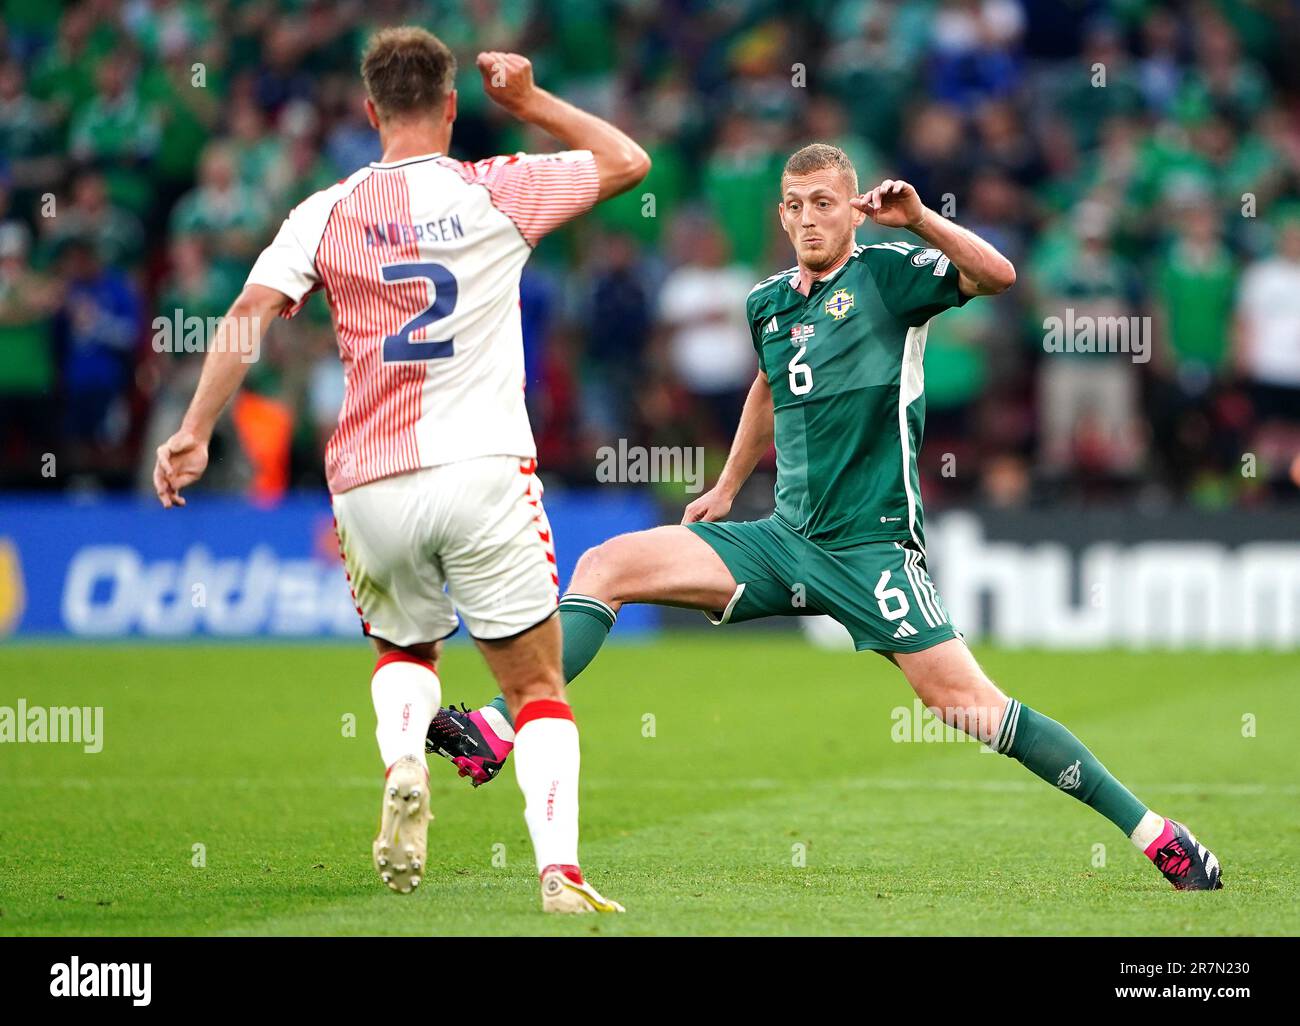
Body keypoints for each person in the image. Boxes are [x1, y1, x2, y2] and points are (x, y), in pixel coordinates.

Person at [427, 143, 1223, 892]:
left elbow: (1000, 275)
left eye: (824, 203)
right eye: (795, 205)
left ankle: (1154, 831)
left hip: (872, 550)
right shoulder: (768, 304)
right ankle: (500, 726)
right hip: (783, 540)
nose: (808, 217)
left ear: (851, 211)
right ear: (780, 217)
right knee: (606, 567)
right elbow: (768, 388)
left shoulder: (888, 275)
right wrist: (730, 484)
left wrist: (919, 219)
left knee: (975, 710)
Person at [152, 27, 649, 914]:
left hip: (370, 482)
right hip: (483, 470)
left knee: (404, 647)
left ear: (370, 110)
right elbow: (626, 159)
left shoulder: (325, 210)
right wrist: (530, 103)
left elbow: (247, 313)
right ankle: (559, 874)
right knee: (534, 687)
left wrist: (194, 430)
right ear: (453, 106)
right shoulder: (499, 187)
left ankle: (407, 756)